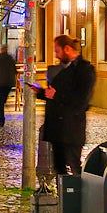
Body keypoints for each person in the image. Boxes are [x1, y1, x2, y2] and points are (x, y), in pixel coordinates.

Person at [45, 35, 95, 175]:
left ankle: (75, 195)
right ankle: (64, 194)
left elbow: (81, 99)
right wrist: (42, 93)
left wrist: (55, 95)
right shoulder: (64, 69)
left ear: (67, 49)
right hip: (59, 129)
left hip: (71, 128)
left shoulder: (84, 69)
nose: (56, 55)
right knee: (59, 167)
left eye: (57, 51)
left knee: (74, 165)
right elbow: (56, 92)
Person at [0, 46, 17, 128]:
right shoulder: (11, 59)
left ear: (1, 50)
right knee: (3, 100)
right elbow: (15, 71)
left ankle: (1, 119)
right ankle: (2, 108)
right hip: (8, 83)